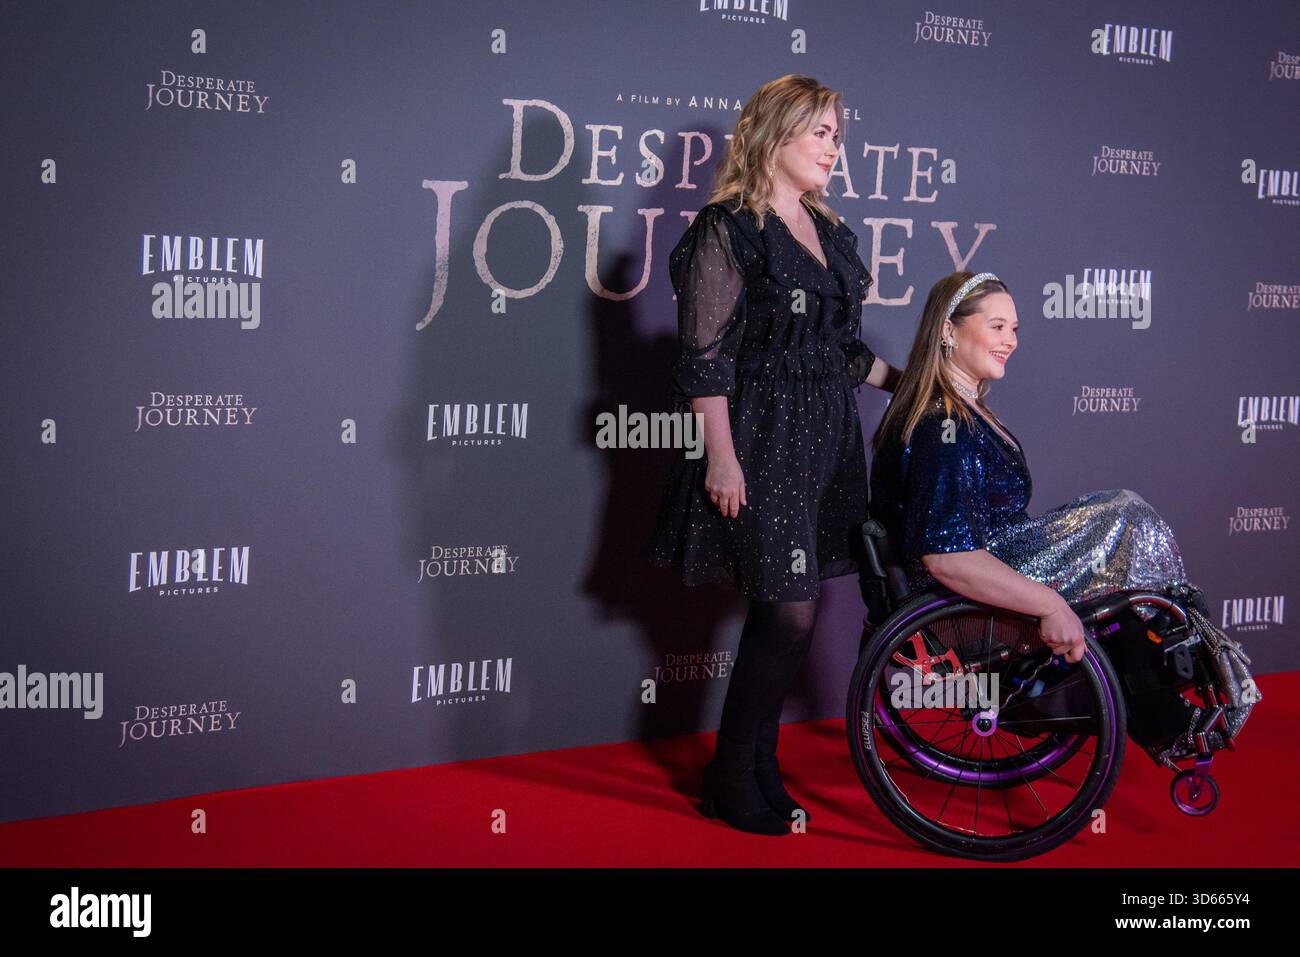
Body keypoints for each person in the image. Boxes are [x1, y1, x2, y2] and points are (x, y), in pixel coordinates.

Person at [646, 75, 900, 836]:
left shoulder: (830, 232)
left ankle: (754, 765)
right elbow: (705, 357)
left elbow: (841, 351)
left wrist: (908, 383)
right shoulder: (729, 229)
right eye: (819, 132)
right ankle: (731, 774)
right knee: (788, 610)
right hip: (760, 437)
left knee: (791, 610)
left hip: (825, 438)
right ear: (774, 136)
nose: (833, 147)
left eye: (836, 134)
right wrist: (720, 457)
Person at [868, 270, 1235, 761]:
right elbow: (945, 559)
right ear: (949, 331)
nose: (1010, 341)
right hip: (963, 601)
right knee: (1123, 514)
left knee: (1120, 525)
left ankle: (1164, 679)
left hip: (1000, 559)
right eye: (997, 327)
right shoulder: (943, 426)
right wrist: (1048, 604)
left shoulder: (965, 410)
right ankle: (1165, 689)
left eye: (1015, 330)